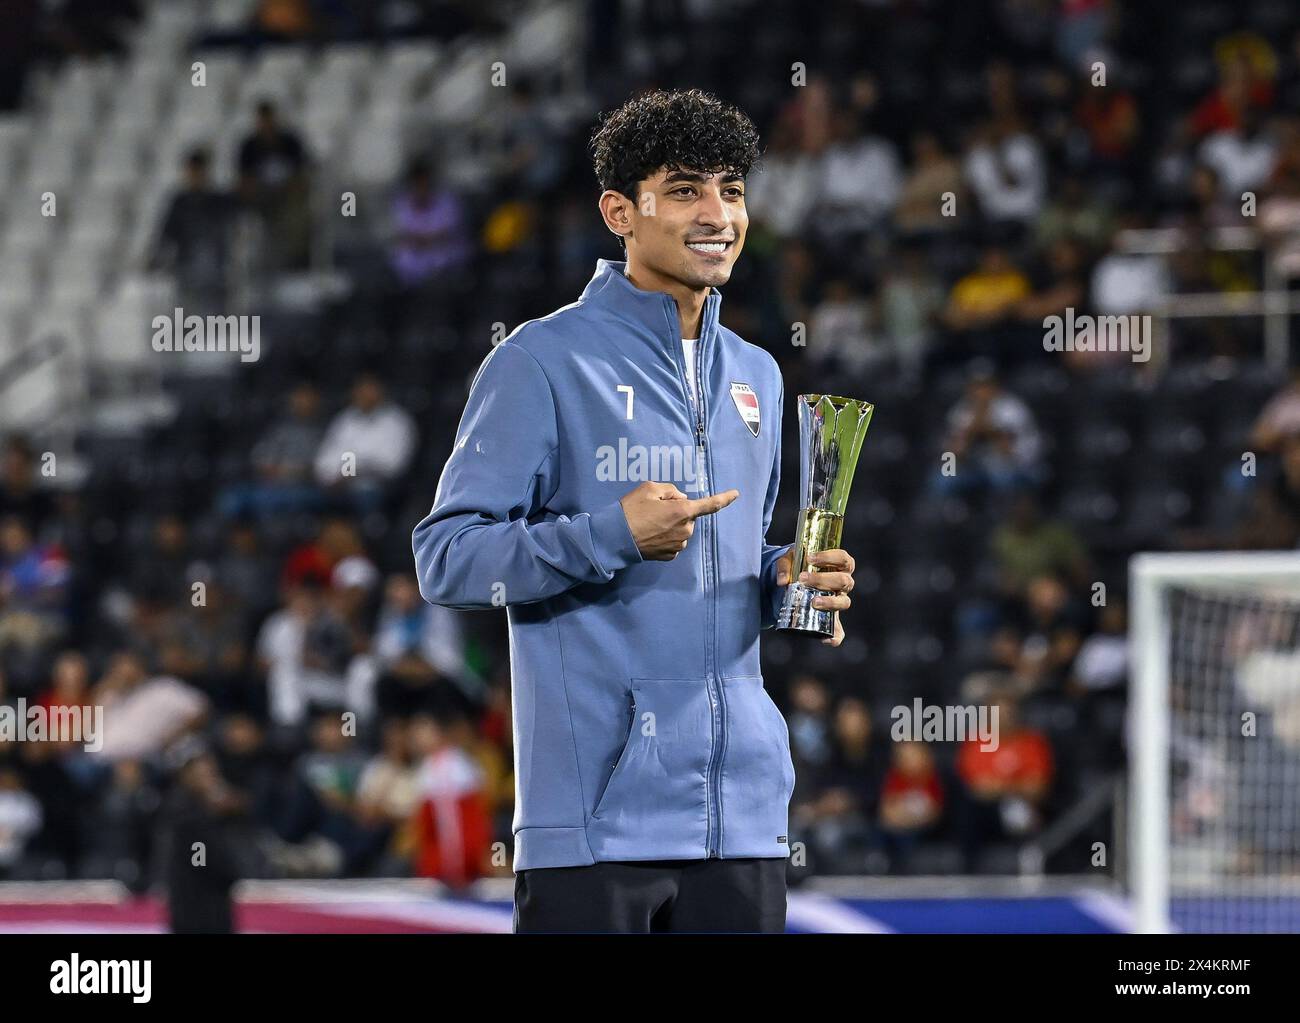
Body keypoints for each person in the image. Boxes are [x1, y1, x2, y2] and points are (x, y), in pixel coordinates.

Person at [412, 89, 859, 933]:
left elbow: (735, 555)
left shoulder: (757, 374)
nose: (718, 213)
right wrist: (611, 535)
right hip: (595, 829)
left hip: (742, 822)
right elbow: (448, 557)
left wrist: (784, 575)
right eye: (685, 189)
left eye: (731, 189)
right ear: (621, 210)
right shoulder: (539, 361)